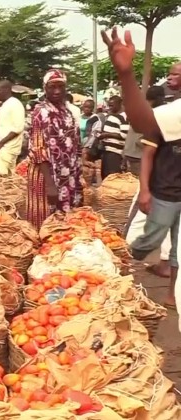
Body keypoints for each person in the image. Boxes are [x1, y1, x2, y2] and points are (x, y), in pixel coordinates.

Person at [104, 28, 181, 309]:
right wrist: (126, 75)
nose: (173, 77)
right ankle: (125, 260)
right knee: (153, 233)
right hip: (166, 191)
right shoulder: (175, 112)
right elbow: (143, 123)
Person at [26, 69, 83, 229]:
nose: (57, 91)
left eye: (61, 86)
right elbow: (38, 148)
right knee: (45, 223)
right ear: (45, 88)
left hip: (67, 177)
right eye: (52, 87)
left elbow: (75, 146)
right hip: (46, 177)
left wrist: (78, 175)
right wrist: (50, 185)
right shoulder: (40, 112)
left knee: (65, 225)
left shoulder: (68, 112)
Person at [123, 86, 165, 175]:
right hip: (139, 155)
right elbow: (143, 140)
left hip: (131, 153)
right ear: (159, 98)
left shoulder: (140, 109)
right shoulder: (152, 113)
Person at [0, 80, 25, 177]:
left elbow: (18, 128)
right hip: (4, 146)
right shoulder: (6, 104)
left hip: (9, 146)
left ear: (6, 90)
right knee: (8, 176)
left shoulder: (15, 104)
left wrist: (1, 143)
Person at [97, 95, 128, 178]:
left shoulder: (123, 117)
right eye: (109, 105)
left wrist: (106, 134)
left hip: (115, 152)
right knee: (105, 176)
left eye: (112, 105)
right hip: (107, 151)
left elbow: (124, 135)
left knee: (113, 177)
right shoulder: (111, 116)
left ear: (119, 104)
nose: (109, 108)